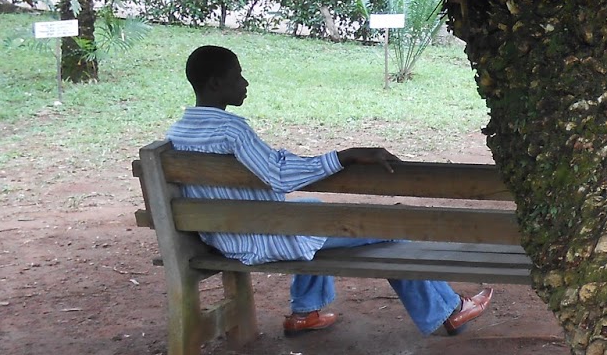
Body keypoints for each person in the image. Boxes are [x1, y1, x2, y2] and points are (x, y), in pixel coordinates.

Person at [166, 45, 493, 338]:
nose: (245, 83)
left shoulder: (178, 131)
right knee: (389, 228)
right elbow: (279, 176)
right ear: (215, 84)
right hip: (261, 236)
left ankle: (305, 312)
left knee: (315, 212)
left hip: (222, 236)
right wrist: (344, 155)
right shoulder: (231, 129)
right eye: (238, 76)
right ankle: (450, 310)